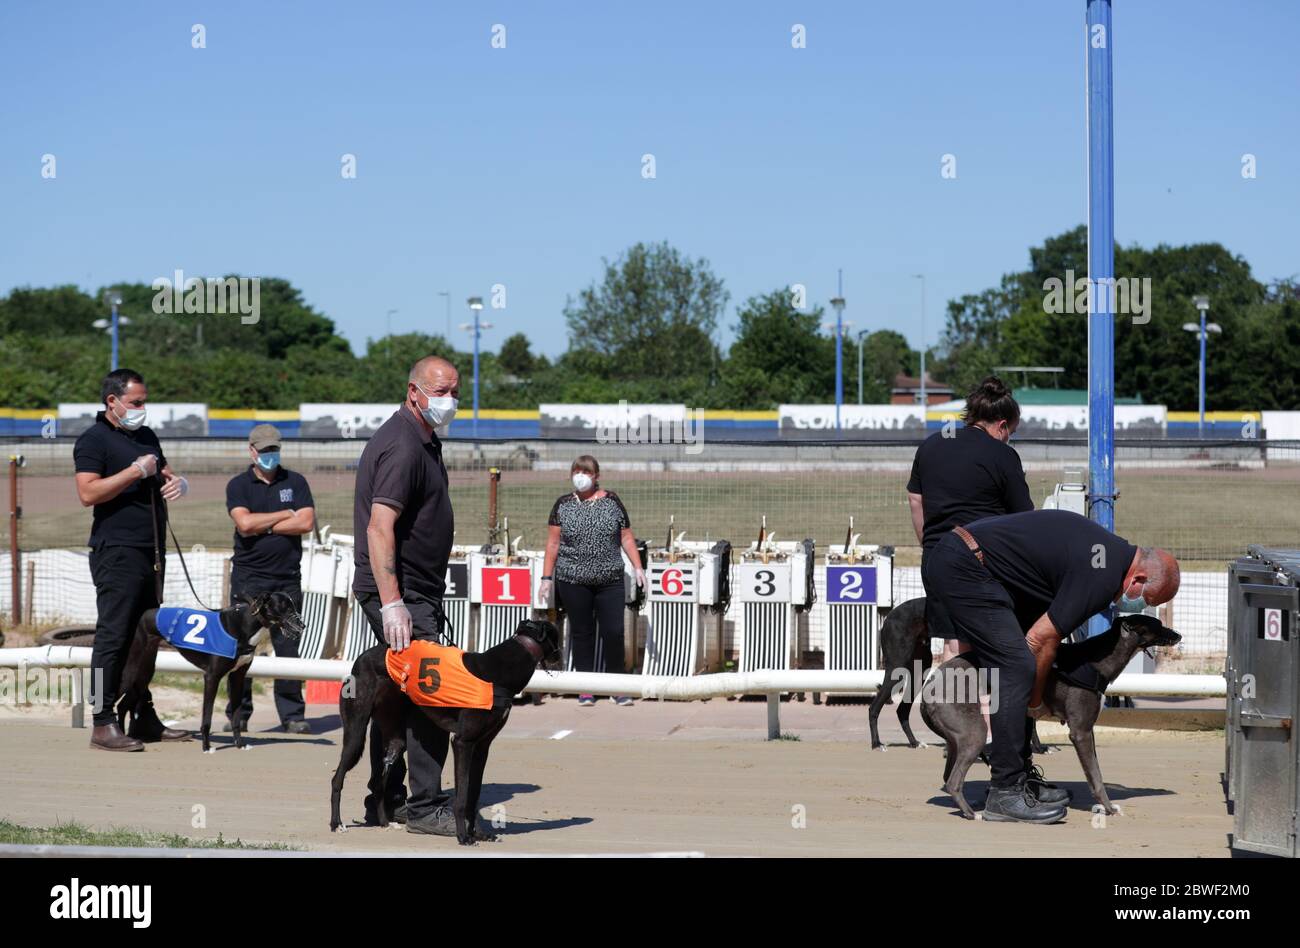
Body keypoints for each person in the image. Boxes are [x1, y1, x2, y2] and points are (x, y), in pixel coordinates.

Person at [923, 508, 1180, 823]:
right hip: (964, 566)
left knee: (1025, 667)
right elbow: (1041, 639)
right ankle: (1005, 792)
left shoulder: (1108, 555)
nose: (1142, 607)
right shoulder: (1102, 576)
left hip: (973, 562)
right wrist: (1033, 702)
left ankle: (1019, 779)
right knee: (1017, 667)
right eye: (1148, 600)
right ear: (1138, 578)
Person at [352, 355, 459, 836]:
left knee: (396, 697)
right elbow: (380, 528)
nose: (449, 400)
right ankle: (425, 805)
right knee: (433, 695)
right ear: (414, 392)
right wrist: (393, 601)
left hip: (416, 591)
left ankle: (388, 799)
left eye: (454, 391)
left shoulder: (421, 440)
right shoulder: (402, 445)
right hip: (402, 593)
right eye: (440, 392)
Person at [907, 376, 1033, 750]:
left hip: (937, 557)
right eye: (1011, 432)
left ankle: (957, 732)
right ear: (1002, 425)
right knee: (995, 645)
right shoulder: (1003, 455)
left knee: (951, 645)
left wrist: (930, 546)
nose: (1010, 438)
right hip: (983, 561)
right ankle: (989, 732)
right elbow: (1022, 519)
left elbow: (916, 500)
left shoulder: (932, 445)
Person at [73, 368, 191, 750]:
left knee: (147, 637)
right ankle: (101, 721)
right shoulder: (93, 440)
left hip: (151, 551)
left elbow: (163, 470)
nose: (142, 408)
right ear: (113, 401)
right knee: (112, 636)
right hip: (116, 551)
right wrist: (133, 471)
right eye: (136, 402)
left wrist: (176, 481)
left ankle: (141, 713)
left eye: (144, 401)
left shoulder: (145, 436)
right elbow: (88, 493)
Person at [223, 424, 315, 733]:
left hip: (287, 580)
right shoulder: (238, 485)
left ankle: (292, 715)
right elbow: (245, 523)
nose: (269, 456)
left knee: (288, 646)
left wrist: (268, 524)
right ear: (252, 451)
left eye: (274, 450)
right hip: (249, 582)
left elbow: (306, 522)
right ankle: (238, 713)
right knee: (241, 650)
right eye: (264, 451)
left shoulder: (296, 481)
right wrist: (283, 515)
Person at [541, 455, 645, 707]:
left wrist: (638, 567)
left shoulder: (612, 501)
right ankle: (585, 688)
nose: (581, 476)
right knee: (582, 632)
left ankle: (617, 687)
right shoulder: (563, 504)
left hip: (609, 579)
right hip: (572, 580)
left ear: (596, 476)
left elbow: (627, 537)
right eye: (576, 471)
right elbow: (553, 543)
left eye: (586, 472)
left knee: (613, 632)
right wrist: (546, 577)